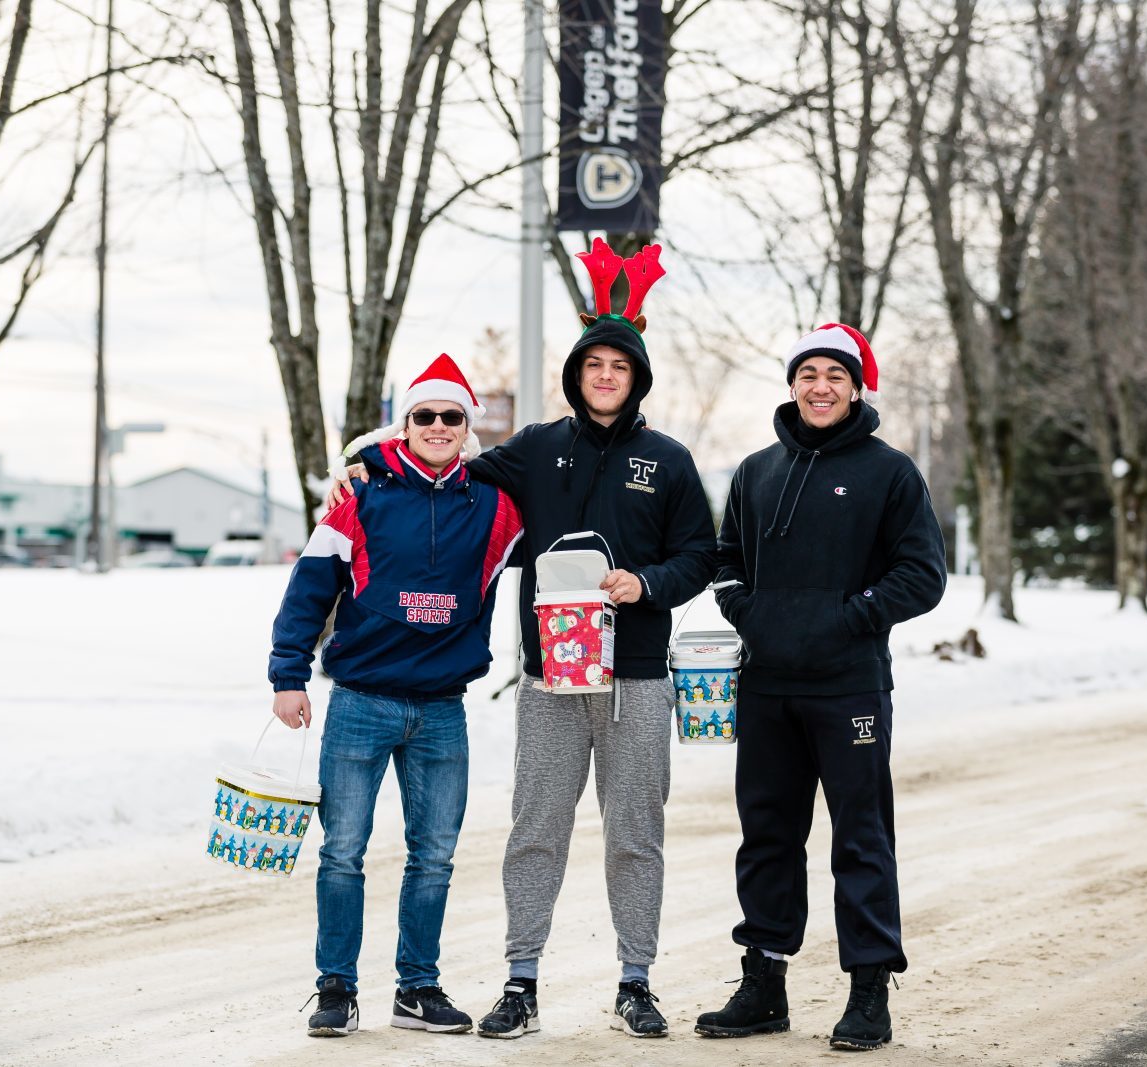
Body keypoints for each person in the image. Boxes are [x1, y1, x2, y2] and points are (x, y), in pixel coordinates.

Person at [328, 239, 717, 1039]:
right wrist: (364, 463)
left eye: (619, 366)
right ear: (576, 373)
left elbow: (701, 556)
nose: (604, 376)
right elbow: (443, 459)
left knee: (636, 835)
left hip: (637, 677)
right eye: (592, 365)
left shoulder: (668, 460)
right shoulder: (539, 447)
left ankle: (635, 981)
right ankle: (521, 980)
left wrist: (648, 583)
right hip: (549, 678)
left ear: (637, 377)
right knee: (535, 829)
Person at [694, 323, 947, 1051]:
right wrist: (748, 609)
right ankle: (763, 983)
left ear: (857, 385)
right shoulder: (755, 470)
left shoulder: (890, 472)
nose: (820, 386)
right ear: (793, 383)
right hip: (767, 686)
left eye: (835, 374)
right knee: (767, 833)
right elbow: (726, 559)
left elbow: (923, 574)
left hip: (850, 687)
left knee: (860, 837)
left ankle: (869, 990)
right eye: (808, 373)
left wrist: (853, 617)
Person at [269, 354, 523, 1038]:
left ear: (467, 428)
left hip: (443, 708)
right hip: (360, 700)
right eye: (424, 415)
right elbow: (309, 589)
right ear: (403, 425)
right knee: (342, 849)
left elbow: (568, 511)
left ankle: (418, 987)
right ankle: (335, 987)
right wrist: (287, 675)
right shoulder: (360, 497)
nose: (438, 426)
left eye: (451, 416)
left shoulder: (498, 508)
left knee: (434, 854)